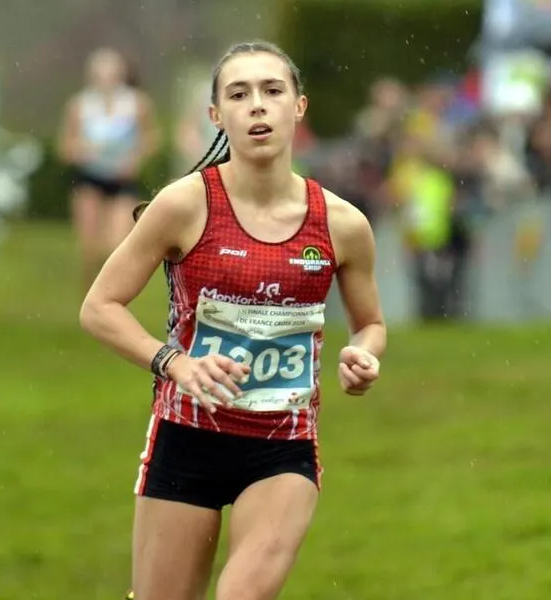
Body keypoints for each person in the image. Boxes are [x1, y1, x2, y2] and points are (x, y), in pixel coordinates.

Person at [79, 40, 387, 600]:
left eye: (273, 91)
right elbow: (99, 307)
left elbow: (371, 323)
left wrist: (363, 354)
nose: (258, 106)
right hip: (185, 439)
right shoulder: (183, 205)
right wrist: (174, 363)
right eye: (239, 94)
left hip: (282, 445)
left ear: (298, 106)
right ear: (217, 116)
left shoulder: (342, 224)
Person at [58, 48, 160, 292]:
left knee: (118, 242)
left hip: (122, 179)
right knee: (89, 246)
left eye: (111, 74)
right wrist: (80, 151)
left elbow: (151, 139)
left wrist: (135, 158)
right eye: (100, 75)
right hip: (89, 179)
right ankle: (89, 291)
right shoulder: (79, 105)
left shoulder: (137, 104)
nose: (106, 80)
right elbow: (65, 147)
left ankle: (110, 294)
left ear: (121, 75)